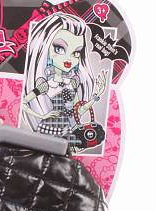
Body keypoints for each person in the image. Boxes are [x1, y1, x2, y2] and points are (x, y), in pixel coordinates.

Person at [22, 12, 107, 150]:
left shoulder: (72, 83)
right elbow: (23, 103)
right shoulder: (45, 85)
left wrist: (97, 95)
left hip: (67, 129)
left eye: (76, 53)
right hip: (49, 129)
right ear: (44, 47)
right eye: (59, 48)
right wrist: (42, 115)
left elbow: (79, 110)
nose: (69, 59)